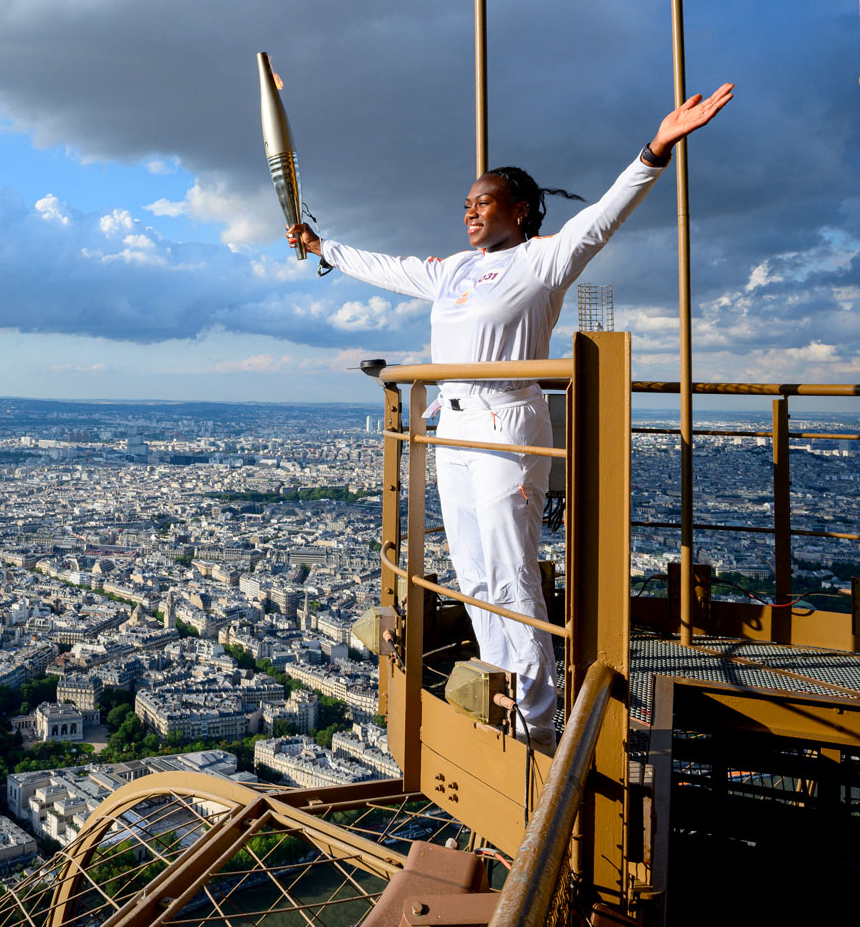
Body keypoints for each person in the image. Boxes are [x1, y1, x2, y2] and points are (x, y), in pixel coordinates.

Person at [288, 83, 734, 747]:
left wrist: (654, 149)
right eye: (466, 202)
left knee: (511, 569)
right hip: (454, 428)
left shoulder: (541, 260)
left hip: (504, 423)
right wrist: (323, 248)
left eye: (483, 201)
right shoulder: (454, 270)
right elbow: (387, 267)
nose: (469, 210)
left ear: (519, 211)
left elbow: (604, 217)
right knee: (473, 571)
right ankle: (500, 684)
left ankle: (538, 717)